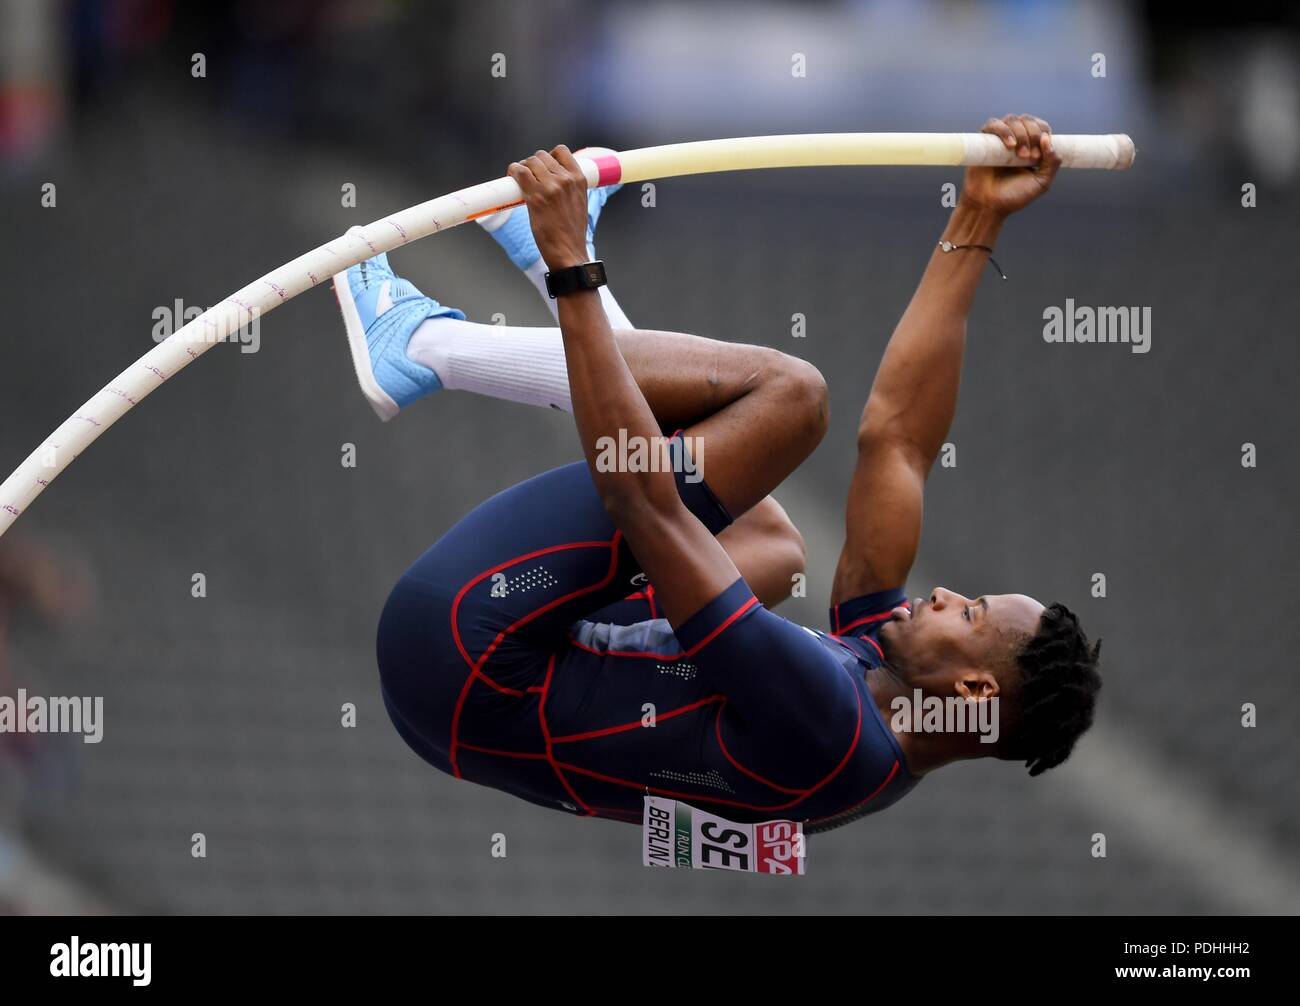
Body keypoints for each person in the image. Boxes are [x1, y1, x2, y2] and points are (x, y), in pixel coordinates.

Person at [333, 115, 1101, 831]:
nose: (945, 594)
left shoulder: (829, 728)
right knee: (773, 547)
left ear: (973, 690)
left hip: (462, 649)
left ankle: (425, 345)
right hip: (464, 708)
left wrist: (572, 265)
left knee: (789, 401)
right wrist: (978, 216)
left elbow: (641, 499)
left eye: (968, 613)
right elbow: (898, 439)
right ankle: (526, 254)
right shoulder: (893, 684)